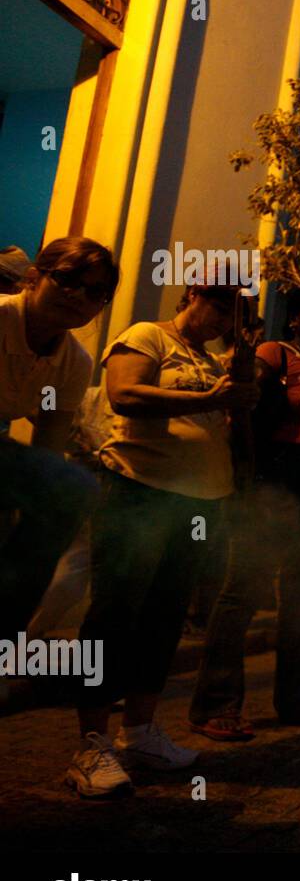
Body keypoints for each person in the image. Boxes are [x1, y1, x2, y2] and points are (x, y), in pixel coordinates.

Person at [70, 275, 257, 797]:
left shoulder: (213, 361)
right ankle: (91, 743)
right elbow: (124, 393)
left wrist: (237, 402)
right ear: (190, 297)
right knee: (114, 613)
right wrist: (209, 396)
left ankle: (140, 733)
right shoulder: (148, 334)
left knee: (164, 616)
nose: (224, 319)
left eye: (235, 314)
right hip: (139, 490)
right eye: (218, 304)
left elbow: (228, 422)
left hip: (199, 502)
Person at [189, 284, 300, 741]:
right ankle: (216, 703)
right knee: (244, 589)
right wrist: (248, 480)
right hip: (278, 483)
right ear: (295, 317)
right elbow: (247, 406)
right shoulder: (273, 353)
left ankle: (299, 698)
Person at [1, 238, 115, 638]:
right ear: (34, 277)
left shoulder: (73, 363)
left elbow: (48, 449)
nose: (77, 295)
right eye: (67, 279)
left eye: (95, 291)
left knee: (69, 486)